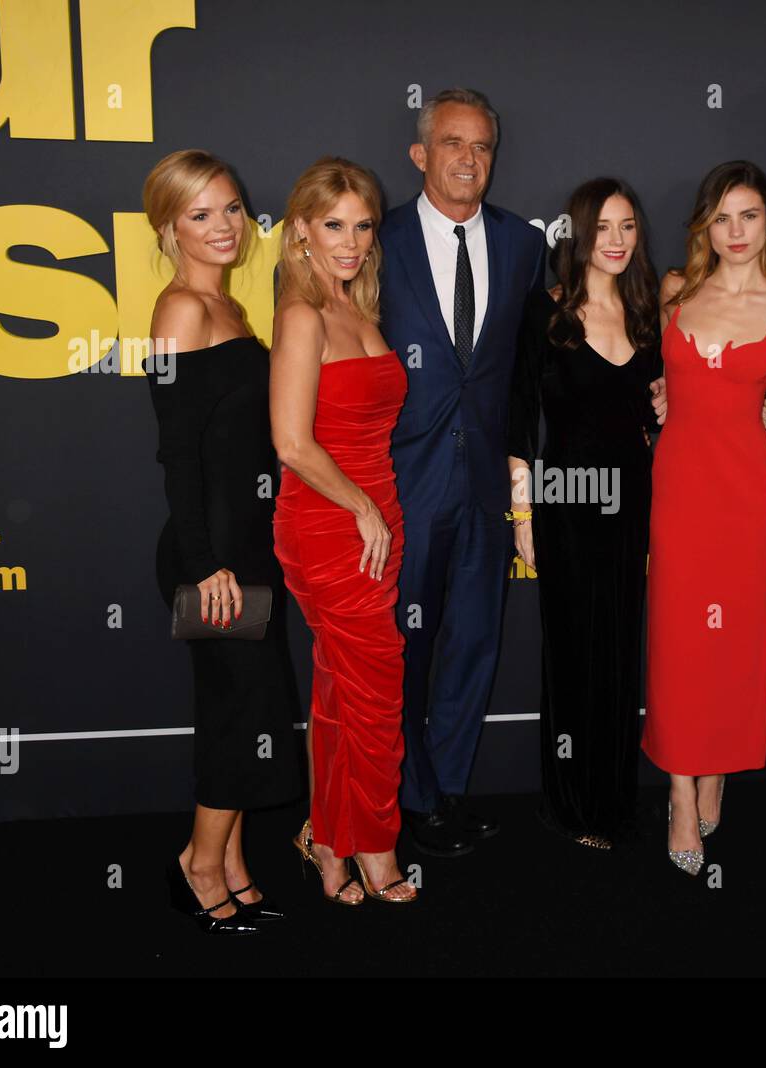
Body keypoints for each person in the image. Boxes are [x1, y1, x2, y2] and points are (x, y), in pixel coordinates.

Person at [379, 88, 546, 857]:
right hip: (401, 484)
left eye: (482, 146)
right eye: (452, 143)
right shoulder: (376, 242)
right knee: (402, 647)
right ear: (420, 154)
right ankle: (402, 797)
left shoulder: (520, 244)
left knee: (474, 642)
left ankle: (444, 790)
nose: (468, 160)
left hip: (484, 486)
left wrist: (521, 487)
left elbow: (527, 374)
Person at [143, 149, 301, 934]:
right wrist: (206, 567)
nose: (223, 226)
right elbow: (176, 452)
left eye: (232, 208)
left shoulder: (232, 310)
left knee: (240, 712)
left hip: (246, 549)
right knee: (243, 714)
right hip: (211, 559)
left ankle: (233, 866)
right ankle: (198, 867)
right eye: (200, 213)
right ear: (169, 227)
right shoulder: (180, 311)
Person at [645, 161, 766, 876]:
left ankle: (714, 767)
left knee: (733, 641)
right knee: (681, 638)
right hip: (681, 486)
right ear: (704, 225)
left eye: (749, 215)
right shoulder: (676, 294)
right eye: (722, 218)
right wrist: (666, 396)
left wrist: (759, 409)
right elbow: (662, 381)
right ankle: (682, 791)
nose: (735, 232)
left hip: (748, 494)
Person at [270, 157, 418, 904]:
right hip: (330, 524)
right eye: (334, 225)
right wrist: (361, 507)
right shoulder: (302, 314)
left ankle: (328, 840)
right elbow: (292, 443)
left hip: (376, 518)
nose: (352, 240)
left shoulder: (359, 310)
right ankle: (377, 845)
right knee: (375, 688)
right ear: (301, 231)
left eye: (362, 226)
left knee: (339, 687)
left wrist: (376, 509)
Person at [508, 178, 662, 851]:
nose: (618, 241)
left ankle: (612, 800)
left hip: (633, 506)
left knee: (620, 652)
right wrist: (523, 517)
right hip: (567, 507)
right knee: (572, 656)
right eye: (603, 228)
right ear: (577, 236)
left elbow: (665, 415)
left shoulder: (650, 315)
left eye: (627, 227)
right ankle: (569, 806)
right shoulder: (545, 315)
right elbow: (518, 422)